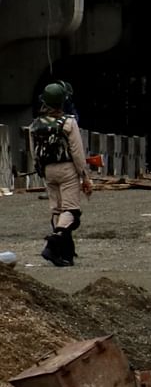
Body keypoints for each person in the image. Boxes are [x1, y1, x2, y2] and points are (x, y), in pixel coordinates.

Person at [29, 82, 91, 267]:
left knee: (56, 209)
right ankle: (53, 242)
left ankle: (63, 255)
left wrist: (41, 170)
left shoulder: (34, 125)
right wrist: (84, 175)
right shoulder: (68, 122)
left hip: (48, 171)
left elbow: (34, 152)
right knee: (71, 211)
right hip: (67, 169)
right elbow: (77, 152)